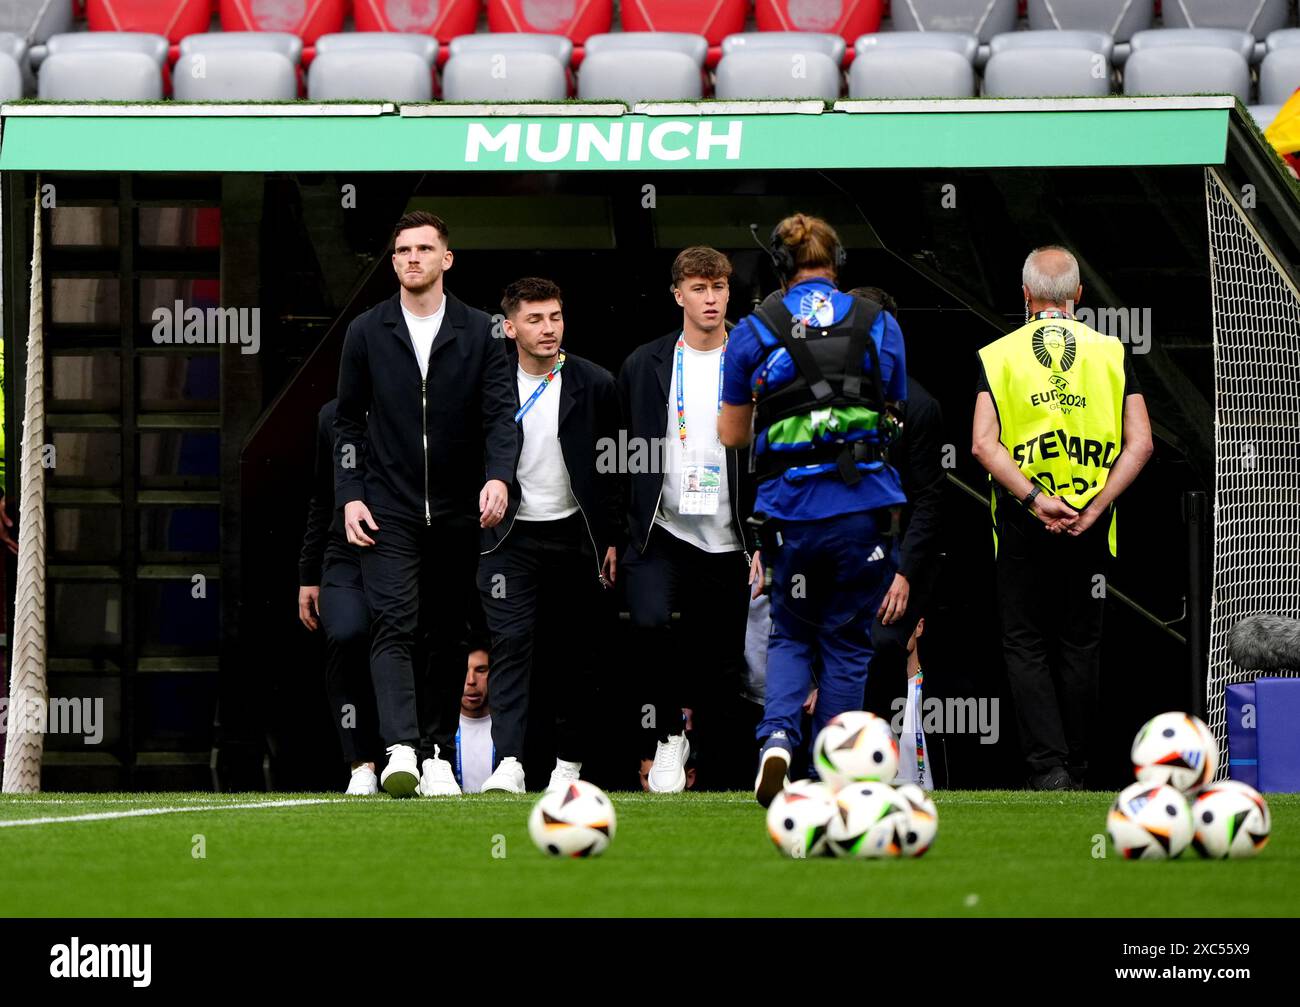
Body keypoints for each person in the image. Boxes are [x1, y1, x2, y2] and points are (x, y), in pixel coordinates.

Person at [718, 213, 907, 807]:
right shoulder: (880, 323)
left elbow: (730, 435)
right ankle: (834, 767)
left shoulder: (752, 331)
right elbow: (894, 408)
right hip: (863, 511)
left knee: (792, 633)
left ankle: (776, 740)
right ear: (838, 262)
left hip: (790, 514)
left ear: (778, 267)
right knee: (849, 640)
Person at [334, 210, 517, 798]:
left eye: (423, 249)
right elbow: (347, 423)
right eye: (402, 250)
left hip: (462, 507)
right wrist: (349, 495)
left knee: (445, 629)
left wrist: (500, 478)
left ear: (447, 258)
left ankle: (438, 753)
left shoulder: (483, 329)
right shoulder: (366, 330)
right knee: (393, 623)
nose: (412, 258)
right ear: (393, 262)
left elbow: (500, 416)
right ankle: (400, 750)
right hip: (388, 505)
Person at [971, 245, 1152, 790]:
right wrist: (1095, 507)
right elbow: (1139, 444)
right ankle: (1076, 762)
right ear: (1077, 294)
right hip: (1090, 521)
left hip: (1025, 521)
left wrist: (1032, 499)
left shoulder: (998, 353)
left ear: (1025, 294)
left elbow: (982, 445)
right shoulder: (1111, 351)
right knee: (1080, 643)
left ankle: (1048, 768)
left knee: (1025, 642)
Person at [618, 246, 756, 793]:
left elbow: (768, 452)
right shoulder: (644, 362)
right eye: (699, 288)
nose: (711, 298)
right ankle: (669, 734)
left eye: (719, 287)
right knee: (649, 622)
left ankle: (720, 767)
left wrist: (766, 538)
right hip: (664, 527)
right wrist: (621, 530)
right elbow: (626, 450)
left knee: (719, 658)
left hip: (731, 535)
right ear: (678, 295)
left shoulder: (754, 357)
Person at [476, 277, 621, 794]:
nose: (548, 328)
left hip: (575, 536)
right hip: (508, 539)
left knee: (574, 653)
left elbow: (614, 469)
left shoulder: (595, 382)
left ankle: (568, 766)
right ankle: (511, 762)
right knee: (511, 644)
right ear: (509, 326)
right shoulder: (489, 380)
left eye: (555, 317)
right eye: (535, 319)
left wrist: (610, 537)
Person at [849, 287, 945, 723]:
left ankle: (875, 750)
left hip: (894, 555)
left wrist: (904, 572)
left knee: (884, 643)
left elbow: (928, 499)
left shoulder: (919, 406)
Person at [299, 398, 381, 795]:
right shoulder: (330, 416)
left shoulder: (414, 406)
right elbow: (320, 496)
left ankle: (416, 755)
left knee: (409, 642)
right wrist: (307, 575)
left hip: (406, 548)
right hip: (344, 554)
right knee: (347, 634)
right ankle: (360, 762)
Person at [455, 641, 494, 795]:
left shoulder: (511, 728)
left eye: (481, 670)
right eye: (464, 670)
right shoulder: (435, 733)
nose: (471, 680)